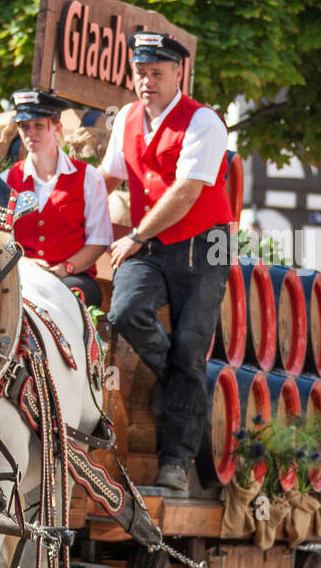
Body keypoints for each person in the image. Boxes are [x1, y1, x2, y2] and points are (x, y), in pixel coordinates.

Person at [99, 32, 233, 494]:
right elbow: (107, 178)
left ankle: (174, 464)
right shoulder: (128, 119)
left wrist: (135, 234)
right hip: (153, 246)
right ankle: (177, 381)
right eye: (140, 72)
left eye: (157, 73)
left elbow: (185, 192)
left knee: (191, 350)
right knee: (125, 312)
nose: (146, 81)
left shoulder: (204, 122)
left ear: (179, 73)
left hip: (204, 246)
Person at [4, 89, 111, 309]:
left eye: (38, 125)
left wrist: (64, 268)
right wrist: (25, 263)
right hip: (22, 274)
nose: (30, 133)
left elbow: (99, 241)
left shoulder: (88, 178)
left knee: (69, 299)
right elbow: (0, 239)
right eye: (24, 126)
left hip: (73, 276)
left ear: (57, 128)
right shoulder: (6, 180)